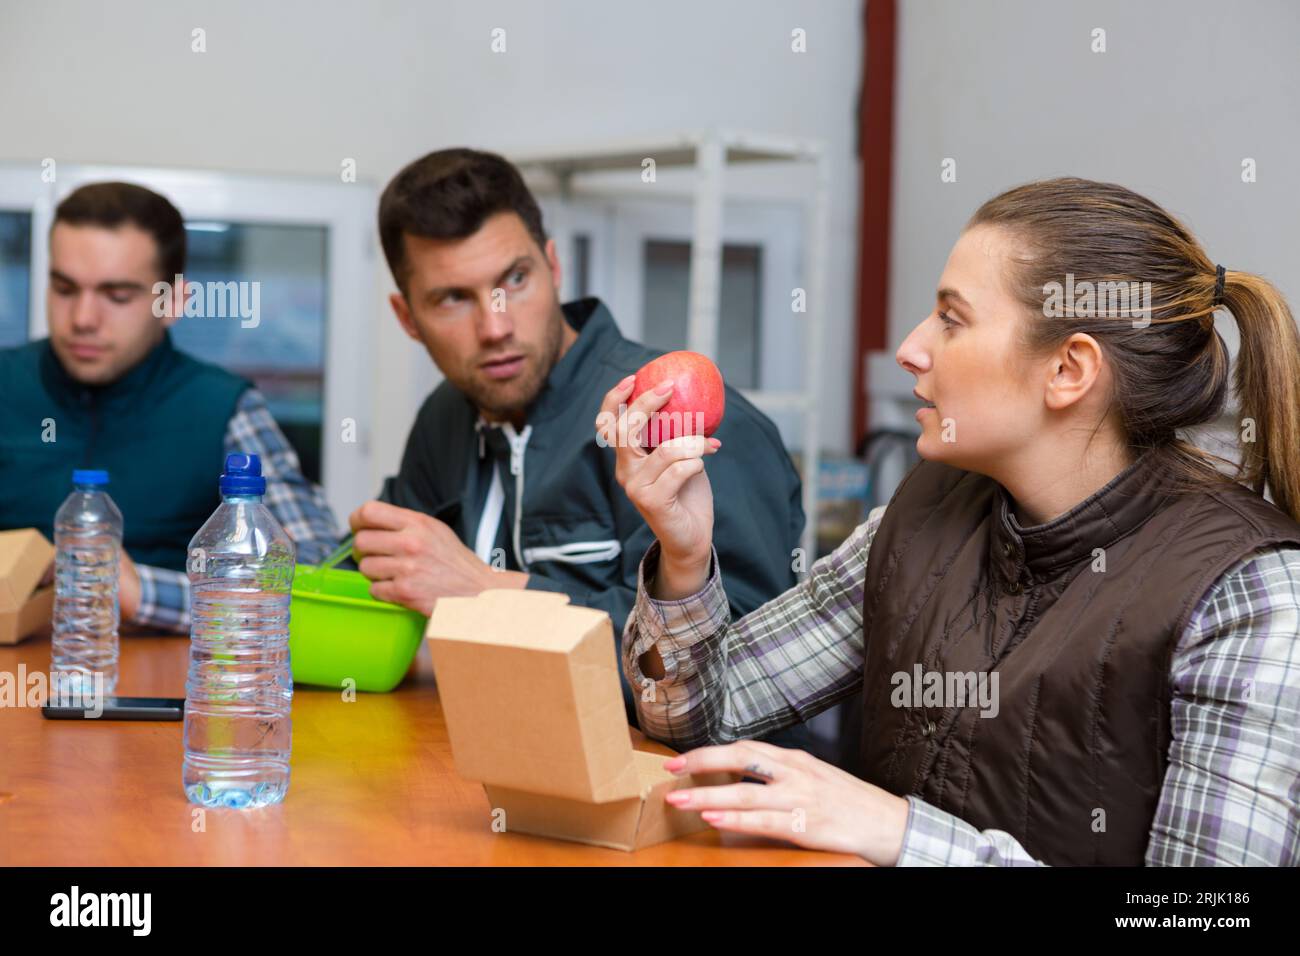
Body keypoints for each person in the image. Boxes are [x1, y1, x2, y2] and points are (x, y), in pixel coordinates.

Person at [602, 177, 1300, 866]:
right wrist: (685, 554)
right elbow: (697, 720)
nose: (910, 348)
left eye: (951, 319)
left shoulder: (1252, 592)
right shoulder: (922, 517)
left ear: (1068, 369)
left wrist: (903, 835)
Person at [349, 147, 807, 733]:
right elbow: (390, 579)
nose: (495, 328)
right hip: (508, 767)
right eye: (452, 299)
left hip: (688, 806)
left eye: (514, 280)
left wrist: (486, 594)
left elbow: (747, 672)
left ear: (554, 266)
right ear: (407, 317)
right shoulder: (445, 417)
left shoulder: (675, 417)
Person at [0, 181, 338, 632]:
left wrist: (142, 591)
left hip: (173, 687)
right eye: (64, 289)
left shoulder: (226, 408)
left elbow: (319, 581)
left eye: (117, 296)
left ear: (173, 301)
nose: (82, 318)